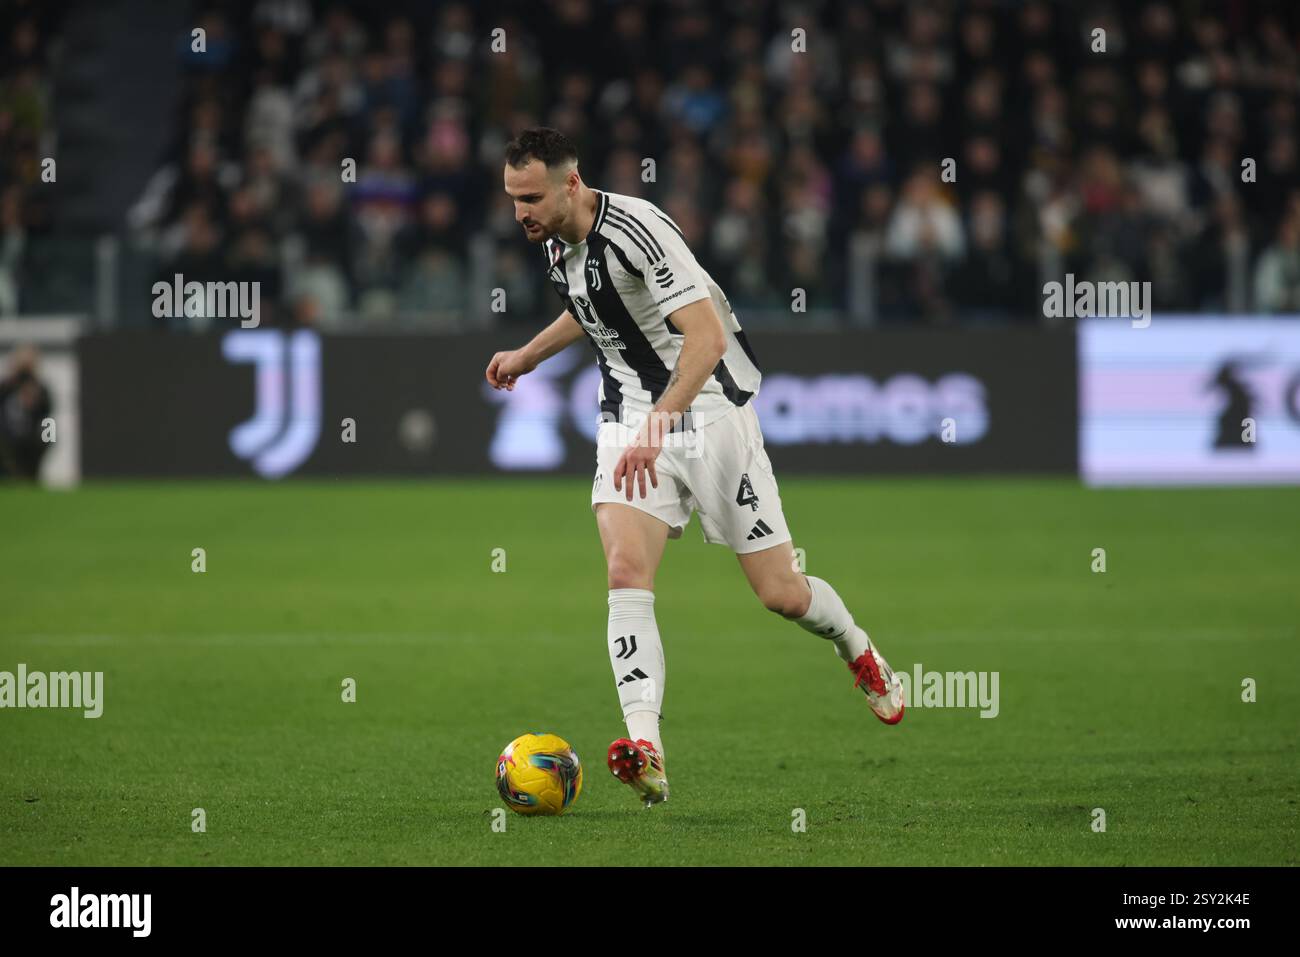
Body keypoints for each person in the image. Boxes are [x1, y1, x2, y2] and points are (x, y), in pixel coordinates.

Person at [485, 128, 904, 809]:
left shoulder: (641, 228)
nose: (519, 214)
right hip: (627, 418)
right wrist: (530, 353)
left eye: (530, 198)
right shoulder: (556, 242)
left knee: (781, 593)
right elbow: (593, 307)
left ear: (571, 182)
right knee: (625, 571)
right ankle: (646, 751)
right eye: (511, 200)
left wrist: (662, 421)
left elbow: (705, 339)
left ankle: (858, 648)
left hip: (707, 412)